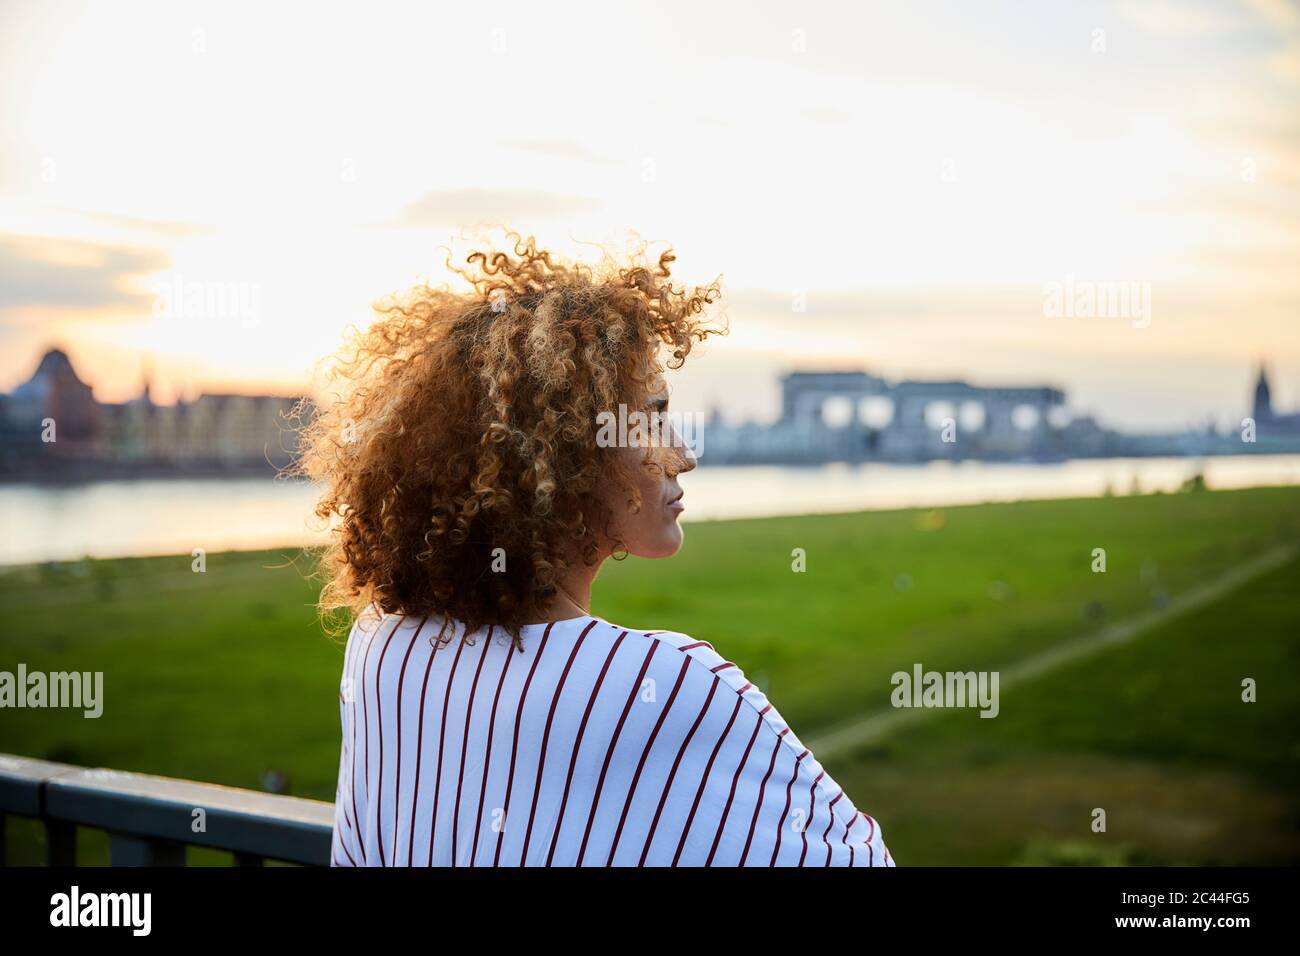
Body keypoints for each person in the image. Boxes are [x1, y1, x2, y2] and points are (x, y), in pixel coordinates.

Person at [300, 232, 894, 866]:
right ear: (568, 453)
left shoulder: (380, 651)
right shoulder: (673, 686)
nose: (683, 456)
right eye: (654, 417)